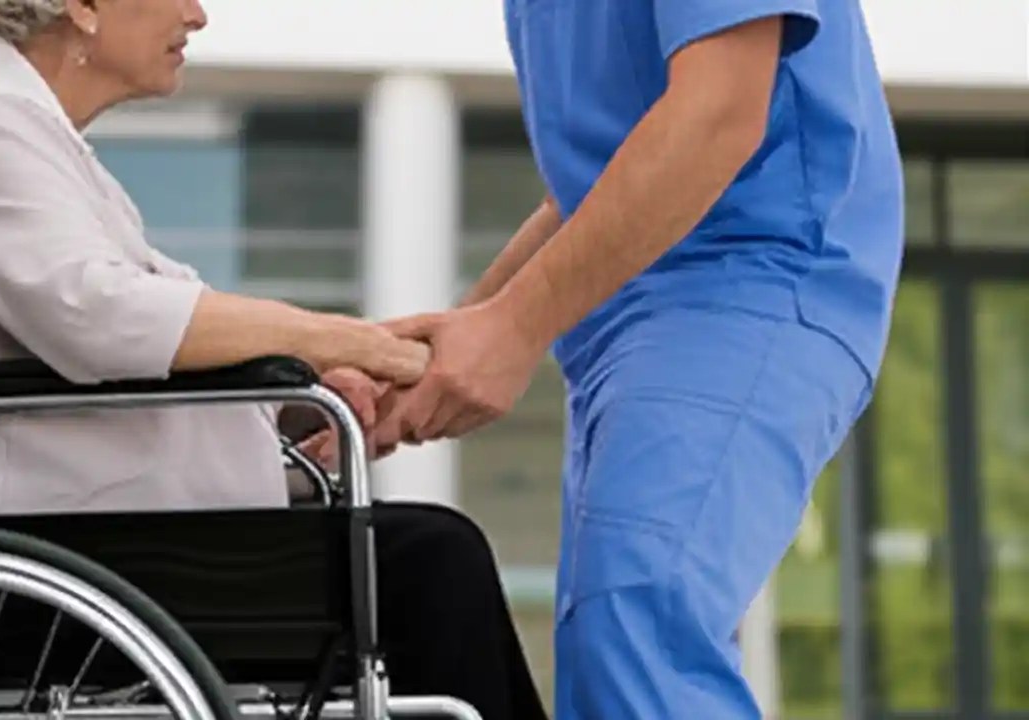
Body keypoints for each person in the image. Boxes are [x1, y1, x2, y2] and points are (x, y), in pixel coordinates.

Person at [0, 2, 548, 718]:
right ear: (81, 7)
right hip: (56, 562)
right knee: (430, 562)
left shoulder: (25, 136)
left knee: (425, 557)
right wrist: (338, 340)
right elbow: (100, 318)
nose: (197, 15)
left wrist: (300, 397)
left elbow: (134, 341)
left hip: (99, 540)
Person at [372, 1, 904, 718]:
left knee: (637, 615)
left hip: (756, 278)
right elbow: (601, 185)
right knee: (607, 662)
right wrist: (434, 351)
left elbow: (716, 114)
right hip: (626, 321)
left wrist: (513, 326)